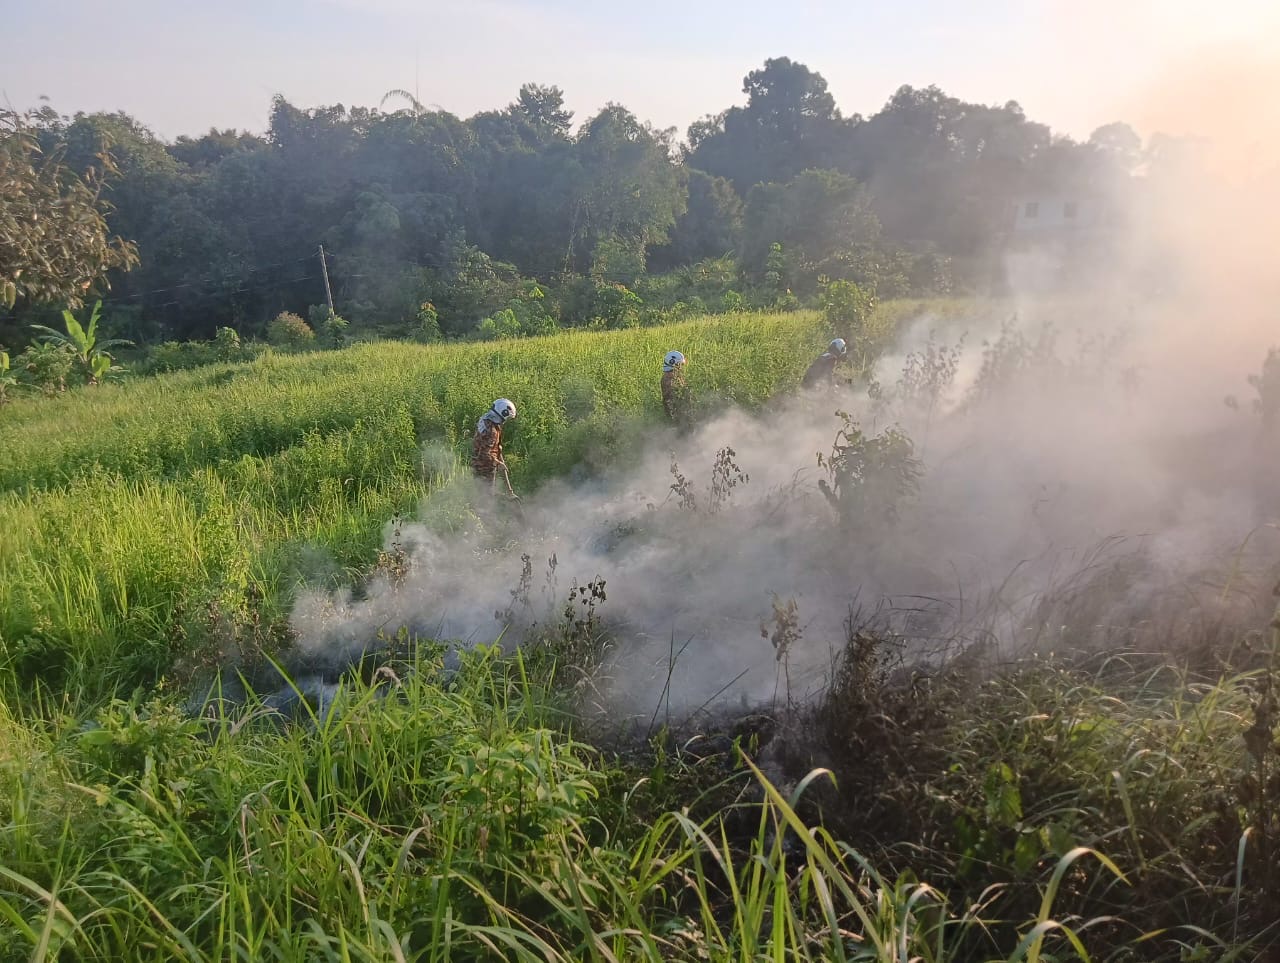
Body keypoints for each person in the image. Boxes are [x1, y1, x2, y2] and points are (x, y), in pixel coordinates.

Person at [472, 398, 518, 497]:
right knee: (486, 498)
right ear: (503, 412)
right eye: (507, 417)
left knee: (483, 494)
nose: (506, 421)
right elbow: (485, 454)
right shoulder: (492, 430)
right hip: (485, 467)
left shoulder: (486, 421)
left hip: (477, 465)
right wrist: (499, 463)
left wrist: (499, 454)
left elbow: (492, 446)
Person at [661, 350, 690, 426]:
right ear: (675, 364)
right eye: (680, 364)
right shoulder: (672, 377)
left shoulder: (669, 376)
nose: (681, 367)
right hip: (679, 416)